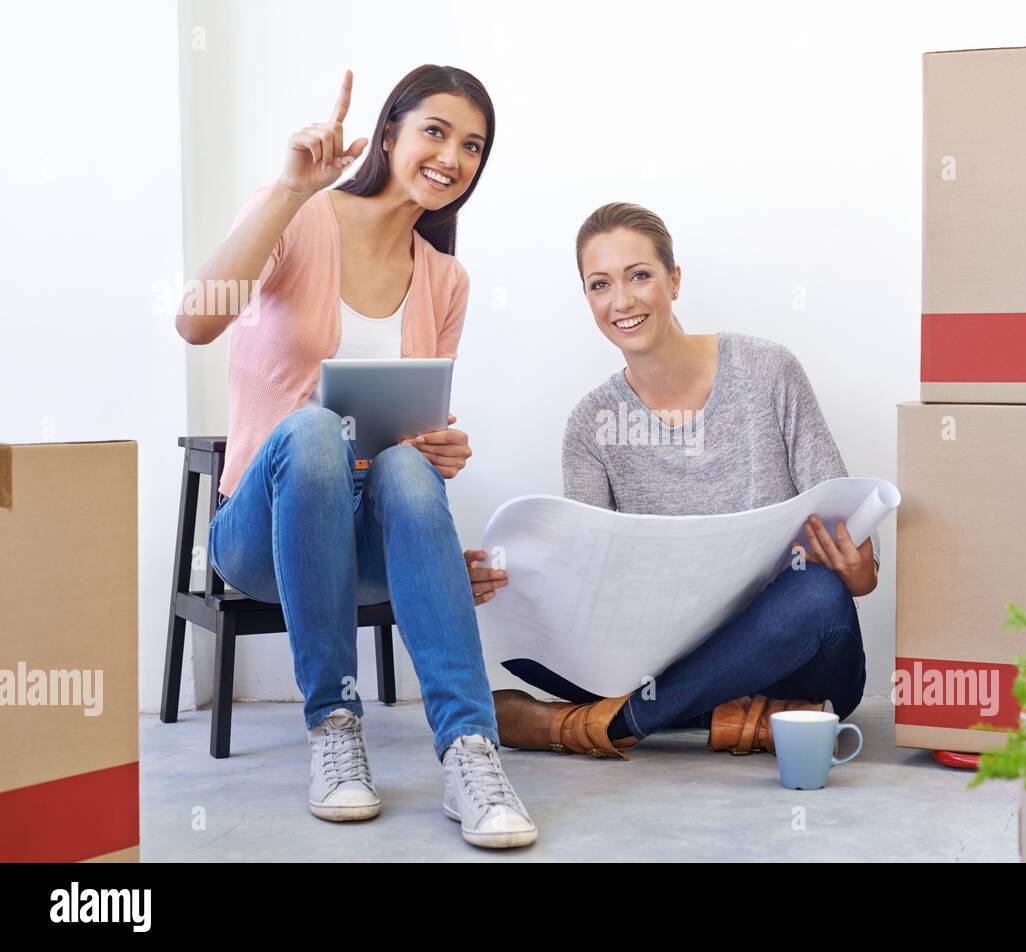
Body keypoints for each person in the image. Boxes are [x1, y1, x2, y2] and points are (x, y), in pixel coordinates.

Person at [175, 66, 535, 848]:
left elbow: (408, 436)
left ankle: (470, 752)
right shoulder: (302, 219)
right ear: (388, 133)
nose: (452, 156)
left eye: (472, 145)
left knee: (407, 467)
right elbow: (194, 323)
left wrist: (440, 446)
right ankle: (335, 725)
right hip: (262, 533)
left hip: (367, 538)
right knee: (311, 430)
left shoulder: (446, 280)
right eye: (435, 131)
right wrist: (286, 191)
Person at [466, 202, 878, 760]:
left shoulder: (769, 372)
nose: (622, 301)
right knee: (528, 652)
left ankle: (606, 726)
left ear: (674, 280)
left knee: (820, 594)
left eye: (640, 276)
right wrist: (508, 579)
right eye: (600, 285)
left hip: (791, 652)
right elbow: (583, 587)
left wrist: (858, 572)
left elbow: (856, 563)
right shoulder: (592, 423)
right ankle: (730, 717)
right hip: (660, 659)